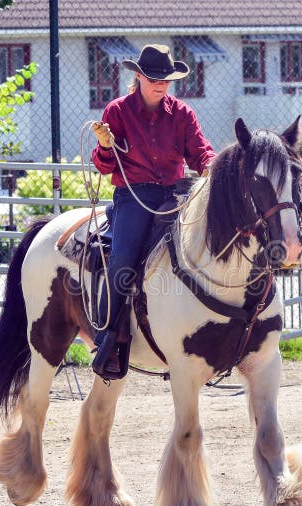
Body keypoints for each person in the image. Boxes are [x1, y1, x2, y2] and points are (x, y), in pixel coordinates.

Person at [90, 44, 216, 380]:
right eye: (154, 78)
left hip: (176, 193)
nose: (160, 84)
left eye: (165, 79)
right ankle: (109, 337)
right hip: (134, 195)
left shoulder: (183, 114)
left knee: (203, 245)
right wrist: (104, 146)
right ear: (139, 76)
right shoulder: (117, 112)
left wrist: (212, 166)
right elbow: (103, 166)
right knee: (123, 259)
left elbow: (200, 152)